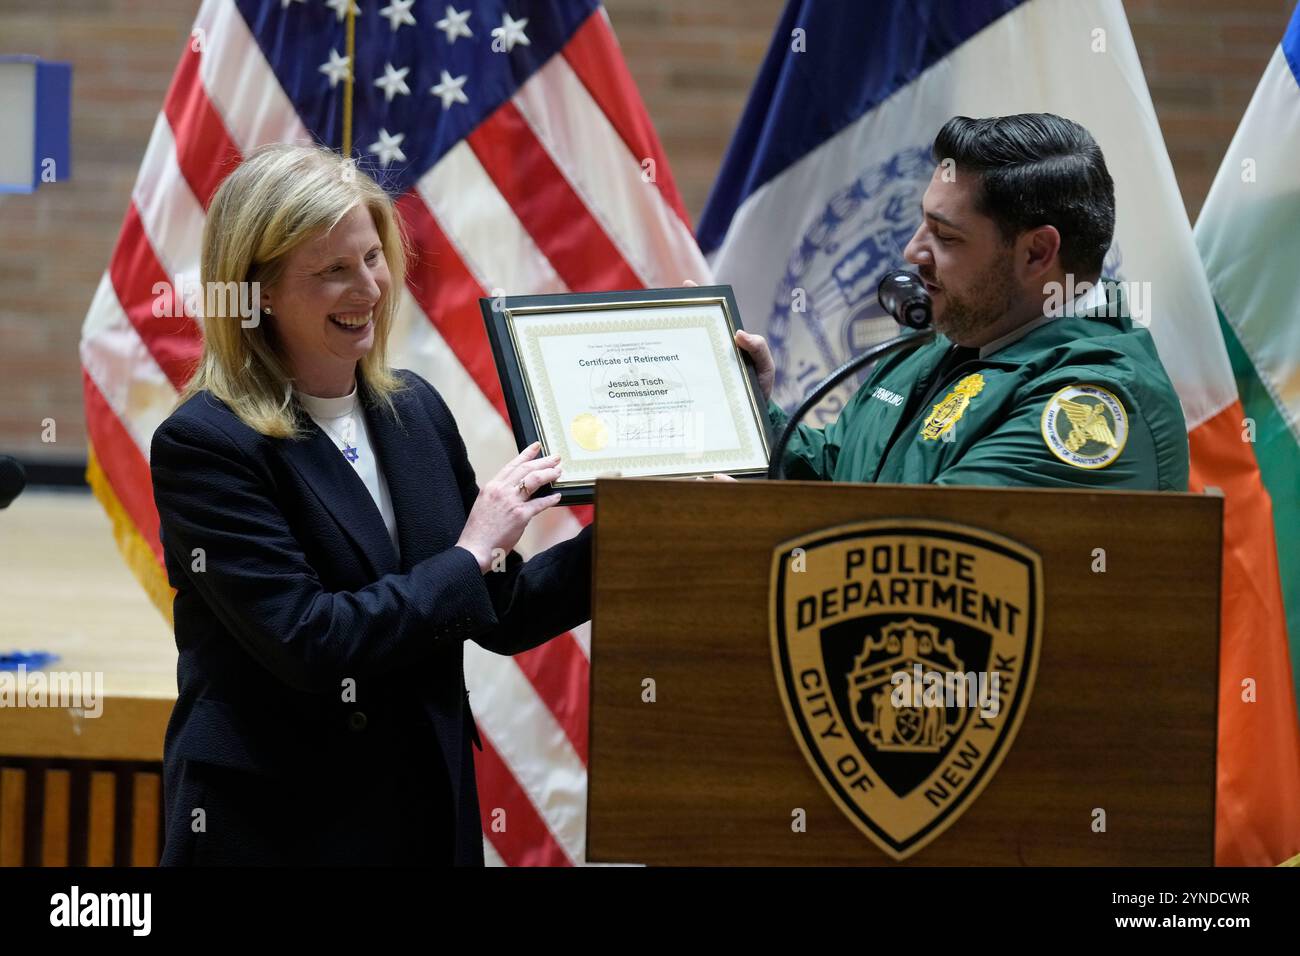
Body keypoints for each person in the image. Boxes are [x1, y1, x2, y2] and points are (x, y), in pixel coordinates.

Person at [149, 143, 590, 866]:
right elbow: (309, 641)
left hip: (419, 806)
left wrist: (648, 524)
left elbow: (498, 610)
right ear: (256, 293)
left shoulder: (413, 411)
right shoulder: (207, 444)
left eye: (373, 258)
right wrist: (471, 551)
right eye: (333, 271)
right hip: (280, 825)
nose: (370, 289)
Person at [733, 113, 1189, 491]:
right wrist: (747, 405)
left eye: (945, 236)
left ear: (1036, 253)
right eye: (922, 223)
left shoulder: (1089, 403)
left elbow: (917, 550)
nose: (913, 252)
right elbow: (836, 470)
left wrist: (746, 517)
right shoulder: (954, 336)